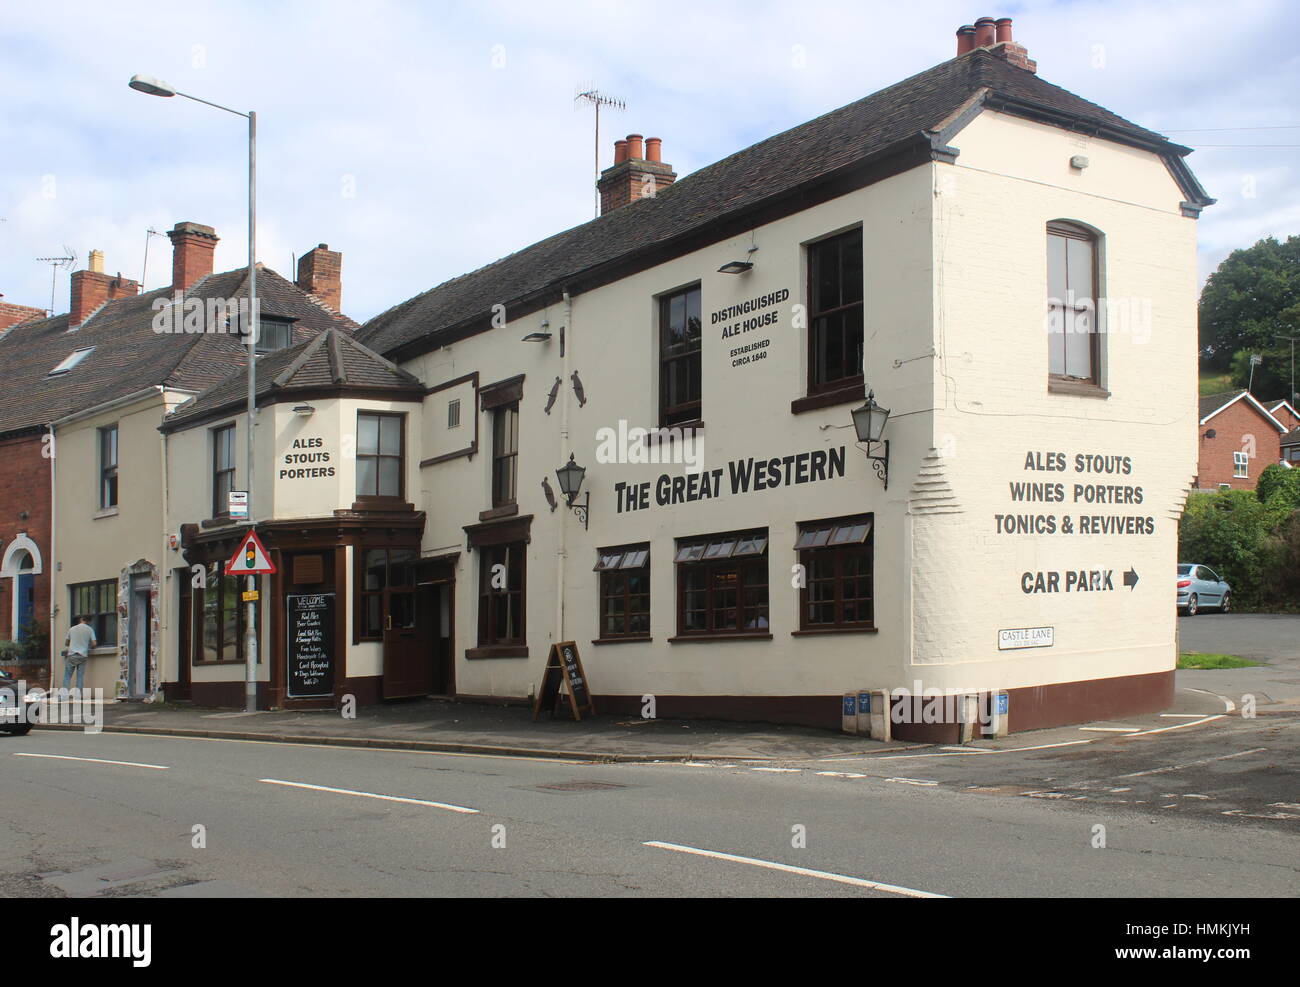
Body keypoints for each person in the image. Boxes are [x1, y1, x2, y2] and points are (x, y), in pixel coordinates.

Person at [63, 614, 97, 694]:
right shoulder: (90, 629)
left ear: (81, 619)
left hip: (72, 654)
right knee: (80, 676)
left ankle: (64, 695)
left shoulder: (72, 629)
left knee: (67, 676)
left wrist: (72, 643)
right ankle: (78, 696)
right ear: (89, 621)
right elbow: (94, 643)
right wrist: (89, 646)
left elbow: (66, 643)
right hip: (83, 655)